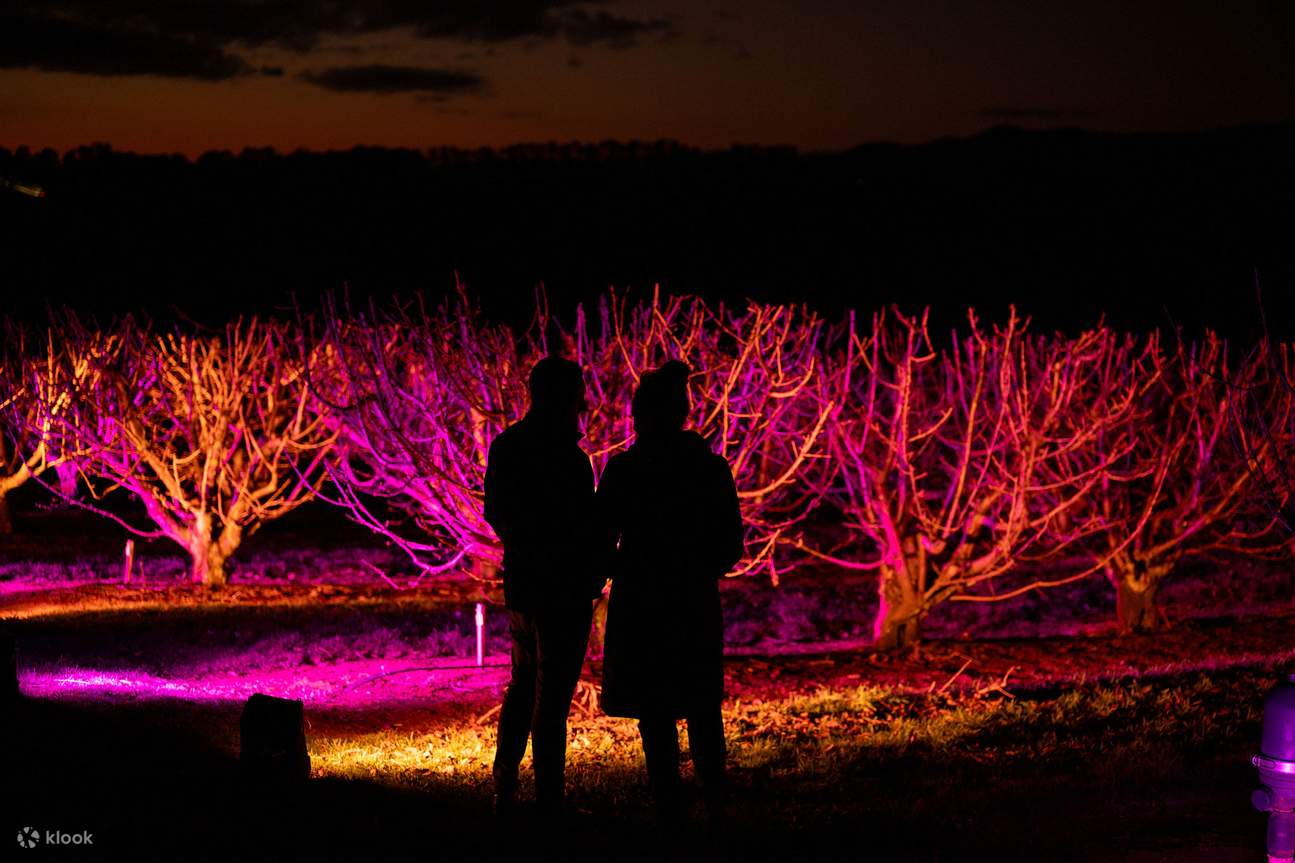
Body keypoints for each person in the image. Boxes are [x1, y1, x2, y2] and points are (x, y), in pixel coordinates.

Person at [596, 361, 744, 823]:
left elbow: (601, 538)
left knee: (655, 710)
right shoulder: (711, 469)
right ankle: (714, 797)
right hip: (693, 601)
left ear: (643, 415)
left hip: (641, 602)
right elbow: (730, 544)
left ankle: (668, 804)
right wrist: (698, 568)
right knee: (701, 705)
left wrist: (622, 568)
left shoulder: (624, 470)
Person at [483, 356, 603, 816]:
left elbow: (498, 511)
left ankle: (506, 782)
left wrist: (525, 545)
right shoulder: (570, 459)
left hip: (526, 582)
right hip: (563, 585)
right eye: (577, 393)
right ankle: (548, 794)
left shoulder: (509, 445)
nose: (582, 403)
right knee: (552, 692)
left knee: (525, 683)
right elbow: (583, 524)